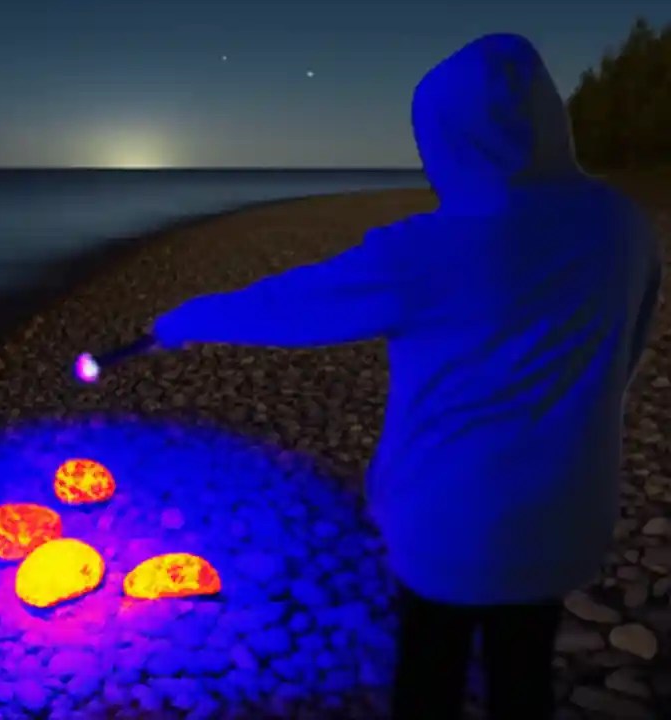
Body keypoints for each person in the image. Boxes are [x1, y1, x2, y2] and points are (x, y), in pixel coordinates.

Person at [151, 33, 663, 720]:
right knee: (524, 672)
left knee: (429, 670)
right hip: (567, 515)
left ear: (447, 138)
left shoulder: (426, 251)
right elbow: (626, 355)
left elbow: (289, 305)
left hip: (447, 526)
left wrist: (180, 321)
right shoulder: (621, 226)